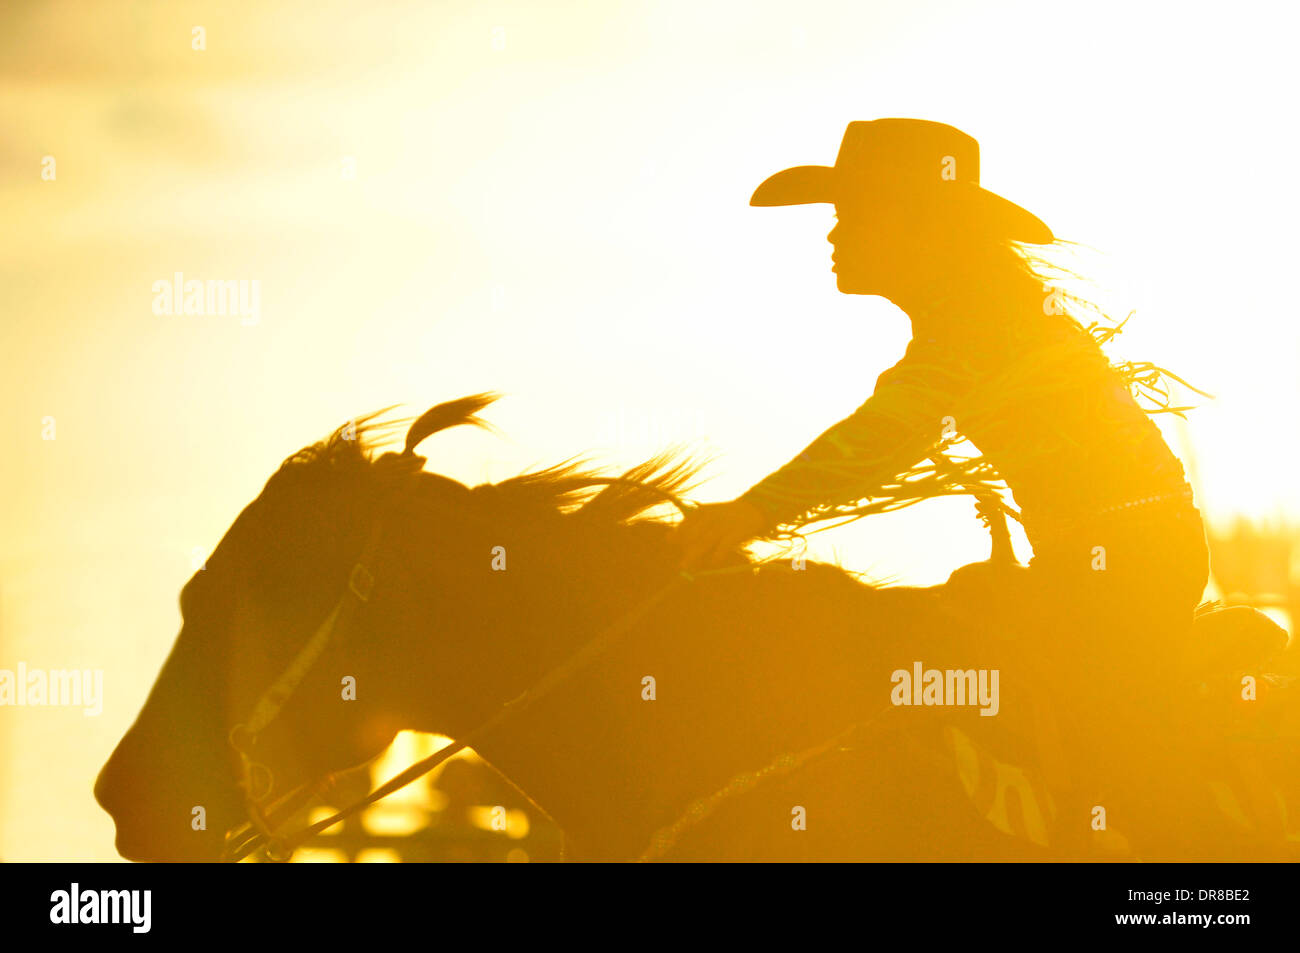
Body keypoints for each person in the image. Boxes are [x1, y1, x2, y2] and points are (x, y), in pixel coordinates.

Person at [673, 119, 1211, 805]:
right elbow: (895, 422)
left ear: (922, 226)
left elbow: (885, 432)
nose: (834, 236)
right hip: (1118, 555)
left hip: (1125, 563)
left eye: (854, 215)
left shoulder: (977, 325)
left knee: (1086, 744)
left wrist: (755, 510)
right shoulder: (984, 317)